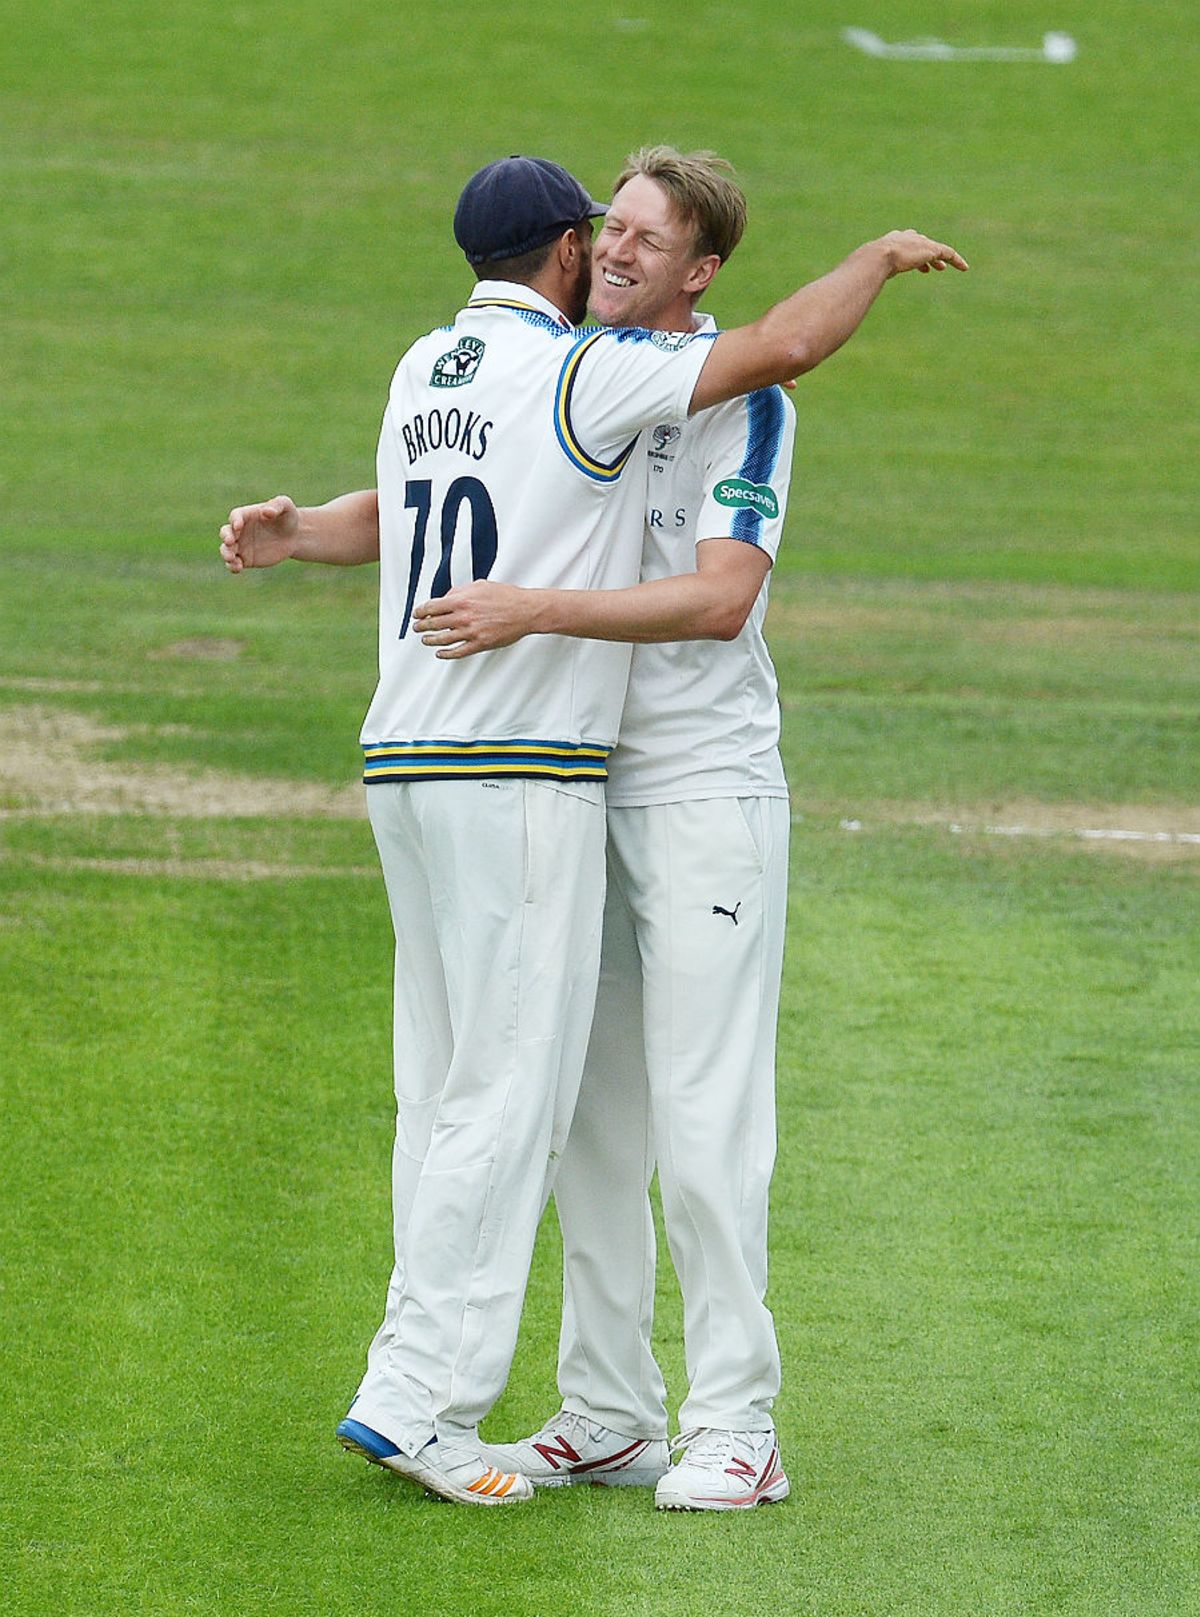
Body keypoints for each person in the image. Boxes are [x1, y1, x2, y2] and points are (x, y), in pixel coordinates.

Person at [220, 153, 966, 1508]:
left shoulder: (738, 400)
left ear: (701, 270)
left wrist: (534, 613)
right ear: (573, 245)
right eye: (608, 227)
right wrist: (313, 531)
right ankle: (610, 1408)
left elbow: (721, 601)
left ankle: (736, 1421)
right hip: (574, 778)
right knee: (585, 1119)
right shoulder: (577, 371)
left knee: (704, 1114)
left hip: (699, 785)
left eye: (646, 237)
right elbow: (464, 500)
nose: (617, 250)